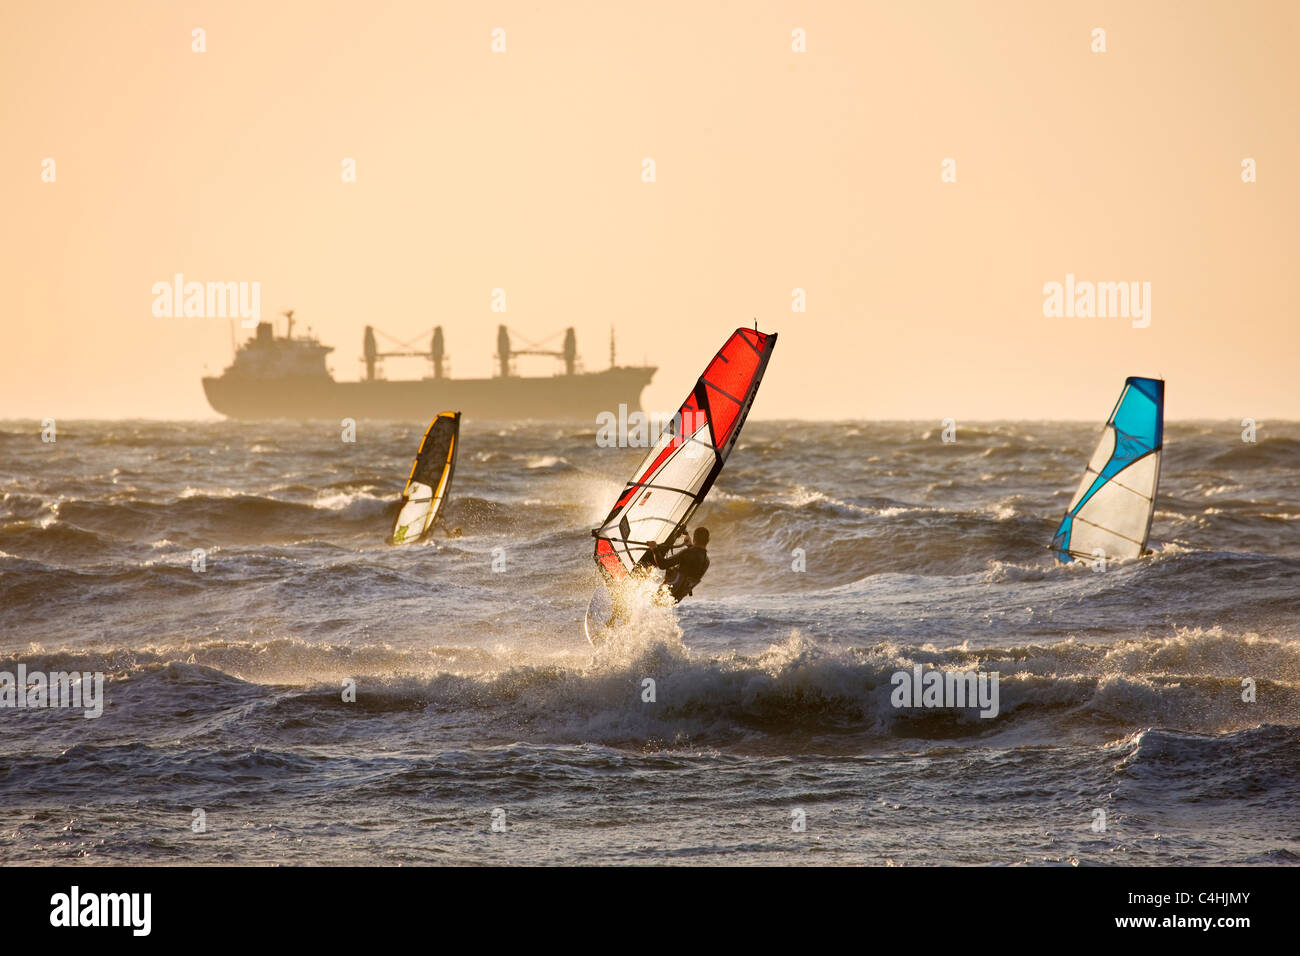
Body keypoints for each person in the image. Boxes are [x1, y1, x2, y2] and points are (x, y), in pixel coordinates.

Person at [653, 527, 710, 604]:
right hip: (675, 599)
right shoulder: (706, 561)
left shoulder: (687, 553)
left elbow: (662, 564)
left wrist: (654, 548)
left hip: (664, 594)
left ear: (694, 539)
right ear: (708, 540)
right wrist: (690, 545)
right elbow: (693, 563)